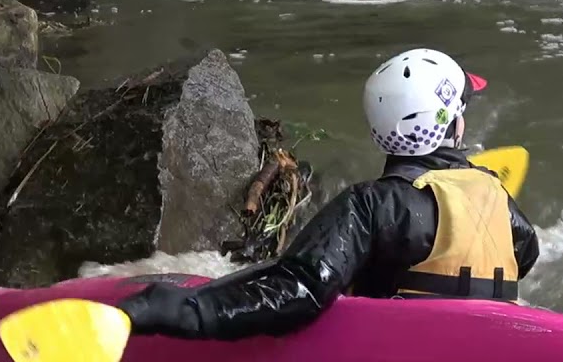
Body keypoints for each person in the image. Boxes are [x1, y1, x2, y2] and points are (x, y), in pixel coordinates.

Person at [117, 47, 541, 340]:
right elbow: (525, 254)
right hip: (482, 352)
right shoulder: (501, 205)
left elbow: (300, 290)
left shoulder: (371, 207)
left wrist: (188, 313)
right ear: (454, 127)